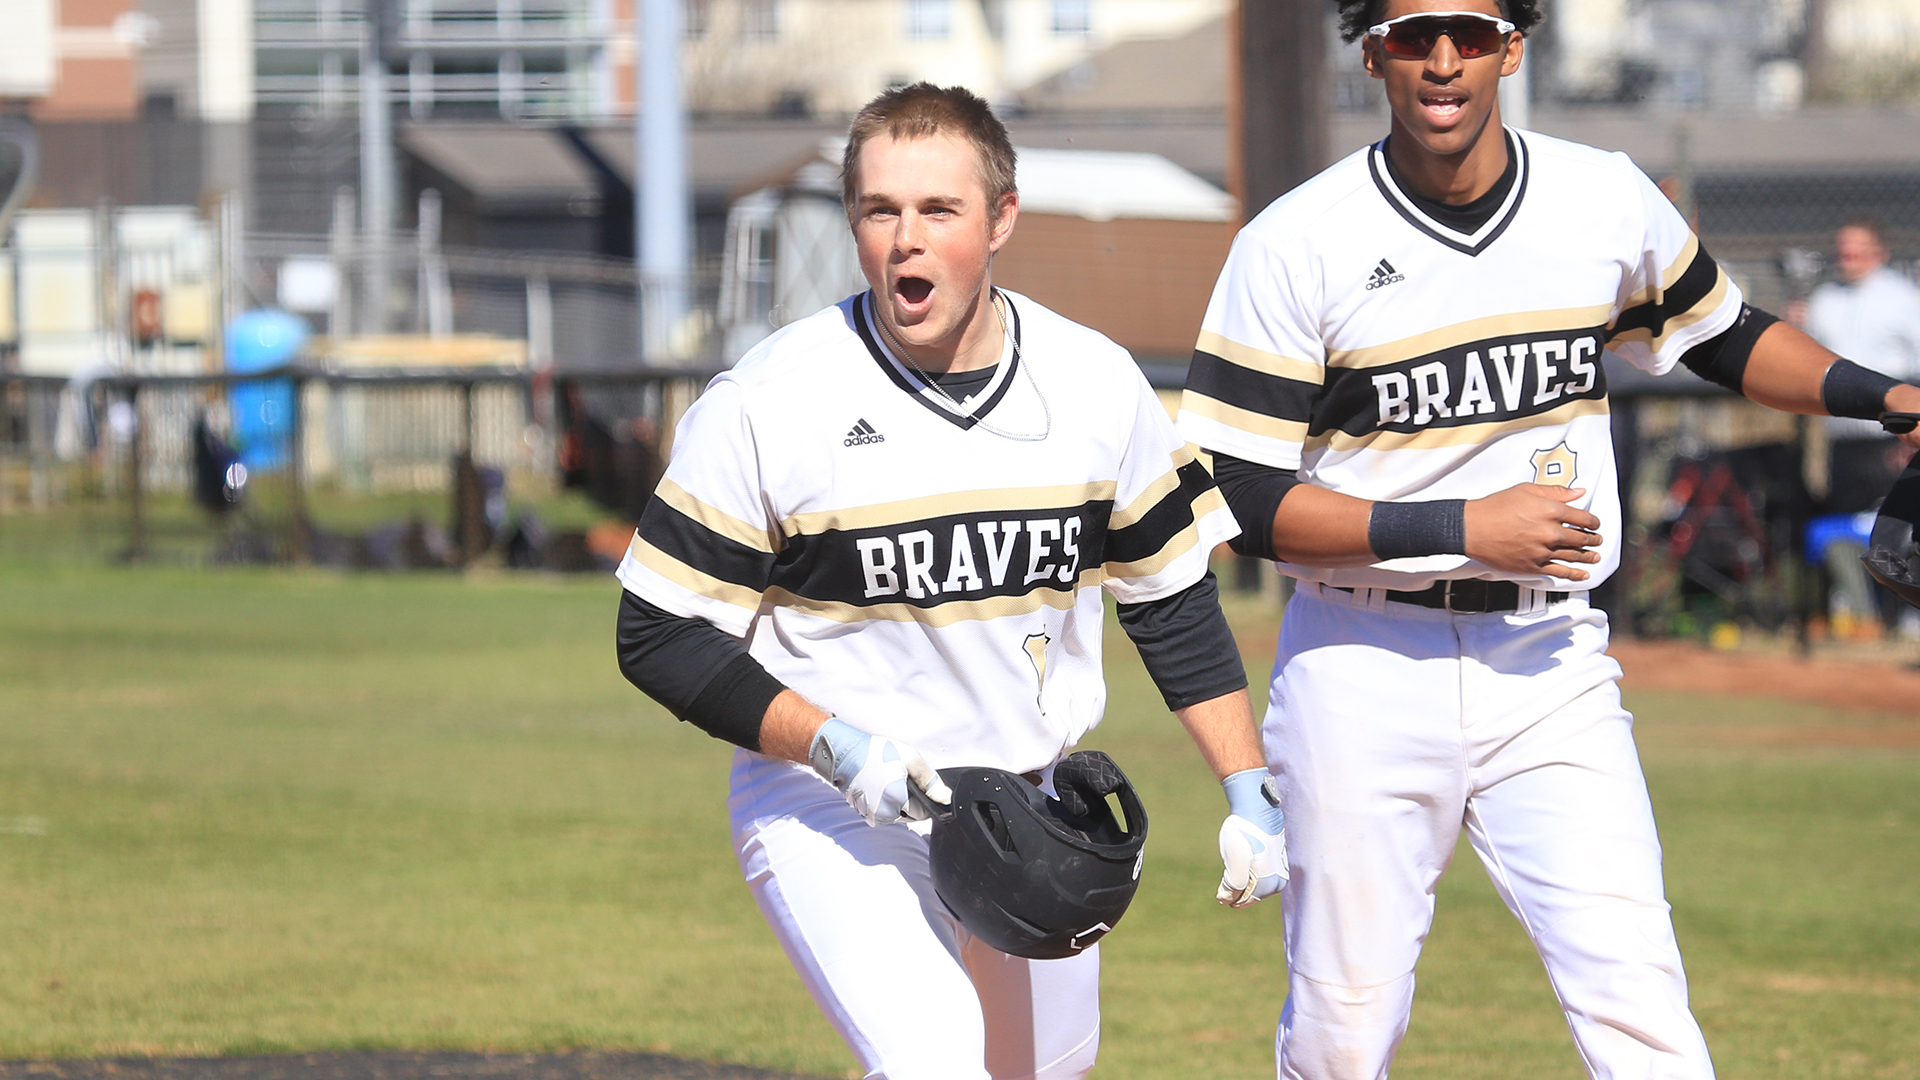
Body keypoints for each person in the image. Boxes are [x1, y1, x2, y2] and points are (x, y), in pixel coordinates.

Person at [1175, 3, 1920, 1078]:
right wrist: (1459, 527)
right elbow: (1240, 498)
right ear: (1373, 50)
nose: (1444, 60)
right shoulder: (1296, 241)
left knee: (1641, 1008)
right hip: (1361, 659)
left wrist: (1887, 397)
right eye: (1414, 33)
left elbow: (1724, 335)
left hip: (1551, 660)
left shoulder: (1598, 195)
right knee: (1345, 1031)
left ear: (1513, 46)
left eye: (1471, 32)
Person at [614, 83, 1284, 1080]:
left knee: (1046, 1070)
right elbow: (658, 631)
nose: (906, 240)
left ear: (1001, 218)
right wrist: (833, 745)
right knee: (934, 1062)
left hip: (1029, 806)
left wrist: (1247, 788)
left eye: (939, 210)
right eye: (880, 210)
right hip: (834, 804)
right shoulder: (770, 402)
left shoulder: (1096, 384)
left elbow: (1171, 602)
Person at [1800, 217, 1920, 636]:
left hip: (1892, 436)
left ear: (1878, 251)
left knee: (1898, 525)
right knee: (1844, 520)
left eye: (1857, 248)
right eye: (1843, 249)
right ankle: (1856, 611)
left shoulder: (1902, 297)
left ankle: (1906, 613)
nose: (1848, 257)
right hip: (1841, 437)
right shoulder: (1824, 298)